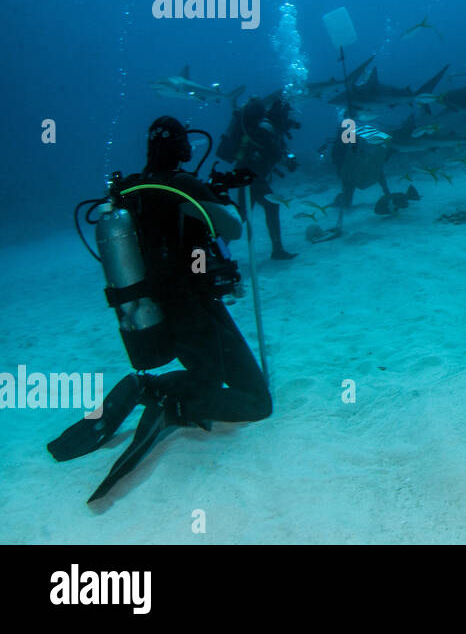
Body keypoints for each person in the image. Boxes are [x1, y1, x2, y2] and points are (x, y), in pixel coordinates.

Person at [49, 116, 272, 502]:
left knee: (209, 376)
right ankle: (167, 401)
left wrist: (206, 193)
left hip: (156, 308)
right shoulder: (183, 185)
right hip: (194, 308)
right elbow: (233, 229)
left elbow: (168, 222)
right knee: (256, 402)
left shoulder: (130, 189)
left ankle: (147, 387)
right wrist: (218, 193)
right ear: (184, 149)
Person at [218, 90, 299, 259]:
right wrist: (287, 160)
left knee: (243, 215)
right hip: (251, 177)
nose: (288, 120)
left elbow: (273, 151)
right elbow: (273, 152)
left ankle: (216, 250)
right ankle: (276, 251)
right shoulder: (266, 128)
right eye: (286, 116)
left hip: (247, 175)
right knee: (262, 209)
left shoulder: (266, 127)